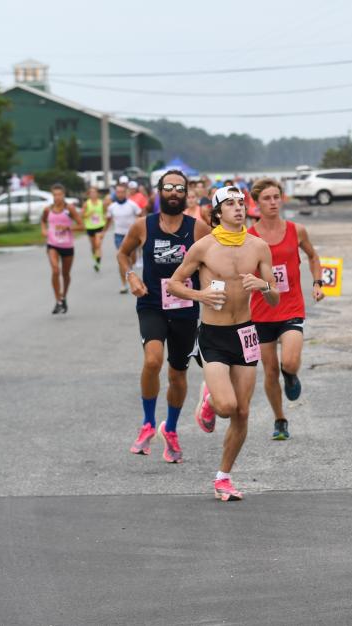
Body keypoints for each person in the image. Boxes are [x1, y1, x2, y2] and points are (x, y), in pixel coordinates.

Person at [167, 186, 279, 501]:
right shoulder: (203, 248)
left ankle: (223, 477)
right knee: (226, 407)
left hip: (245, 333)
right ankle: (210, 400)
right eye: (230, 204)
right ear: (218, 212)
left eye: (242, 203)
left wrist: (263, 285)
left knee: (242, 412)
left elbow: (274, 298)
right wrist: (200, 295)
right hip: (213, 335)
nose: (238, 208)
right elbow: (174, 284)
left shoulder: (259, 247)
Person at [117, 170, 211, 463]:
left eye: (179, 189)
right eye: (168, 187)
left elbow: (215, 260)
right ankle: (147, 424)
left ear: (185, 194)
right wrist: (131, 276)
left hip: (184, 309)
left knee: (177, 373)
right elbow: (123, 254)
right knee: (152, 360)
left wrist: (210, 292)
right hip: (152, 304)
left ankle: (169, 429)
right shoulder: (142, 226)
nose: (173, 192)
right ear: (159, 192)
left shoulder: (198, 229)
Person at [249, 178, 325, 440]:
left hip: (291, 306)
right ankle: (280, 419)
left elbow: (313, 256)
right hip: (261, 311)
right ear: (257, 203)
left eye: (276, 197)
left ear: (282, 199)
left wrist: (317, 282)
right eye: (266, 198)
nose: (272, 202)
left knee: (289, 362)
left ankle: (291, 375)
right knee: (269, 370)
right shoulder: (248, 236)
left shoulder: (296, 230)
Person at [41, 184, 83, 314]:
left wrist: (68, 228)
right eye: (54, 195)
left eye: (59, 194)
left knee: (65, 274)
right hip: (52, 244)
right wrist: (44, 230)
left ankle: (64, 296)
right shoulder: (48, 209)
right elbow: (43, 221)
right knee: (55, 270)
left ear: (64, 195)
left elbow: (81, 225)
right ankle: (58, 300)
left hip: (67, 245)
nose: (57, 197)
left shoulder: (69, 209)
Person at [106, 183, 143, 293]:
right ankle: (124, 284)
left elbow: (141, 217)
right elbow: (108, 221)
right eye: (118, 192)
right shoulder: (112, 207)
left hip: (131, 236)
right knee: (122, 259)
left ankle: (130, 274)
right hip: (118, 235)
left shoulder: (132, 205)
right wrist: (102, 233)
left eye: (122, 192)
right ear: (115, 193)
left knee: (131, 259)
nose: (120, 194)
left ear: (126, 193)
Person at [82, 186, 107, 272]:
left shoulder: (102, 203)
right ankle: (95, 257)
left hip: (100, 226)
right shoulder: (86, 204)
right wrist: (89, 213)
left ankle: (98, 264)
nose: (93, 194)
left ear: (98, 194)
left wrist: (105, 220)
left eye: (94, 192)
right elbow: (83, 216)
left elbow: (105, 213)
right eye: (91, 193)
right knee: (93, 246)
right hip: (90, 227)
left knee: (98, 245)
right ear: (89, 194)